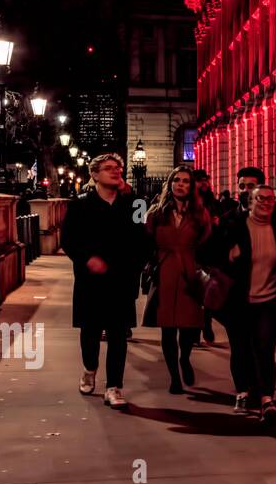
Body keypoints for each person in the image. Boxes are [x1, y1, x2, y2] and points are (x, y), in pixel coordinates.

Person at [61, 153, 147, 409]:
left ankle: (115, 387)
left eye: (118, 168)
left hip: (122, 281)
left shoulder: (136, 204)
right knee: (90, 331)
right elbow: (69, 240)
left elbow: (143, 240)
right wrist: (87, 259)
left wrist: (134, 267)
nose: (116, 171)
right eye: (108, 168)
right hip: (91, 282)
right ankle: (89, 369)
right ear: (94, 174)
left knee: (118, 335)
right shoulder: (79, 205)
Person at [219, 183, 276, 426]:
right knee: (241, 349)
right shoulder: (233, 226)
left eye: (269, 199)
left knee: (265, 350)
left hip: (269, 300)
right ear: (250, 202)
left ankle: (267, 399)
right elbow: (211, 253)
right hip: (239, 300)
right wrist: (228, 253)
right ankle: (242, 392)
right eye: (259, 199)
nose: (265, 203)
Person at [143, 165, 212, 394]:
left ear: (191, 186)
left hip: (189, 273)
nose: (180, 184)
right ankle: (174, 376)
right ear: (170, 184)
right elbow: (146, 241)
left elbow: (206, 241)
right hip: (164, 273)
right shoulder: (156, 212)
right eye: (176, 180)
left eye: (185, 181)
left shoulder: (200, 213)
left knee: (190, 326)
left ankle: (185, 359)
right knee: (168, 329)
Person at [191, 169, 220, 345]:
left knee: (207, 291)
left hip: (210, 251)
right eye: (200, 180)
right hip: (193, 252)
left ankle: (206, 324)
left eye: (206, 180)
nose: (204, 184)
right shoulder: (189, 201)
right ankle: (195, 330)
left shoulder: (211, 200)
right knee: (194, 294)